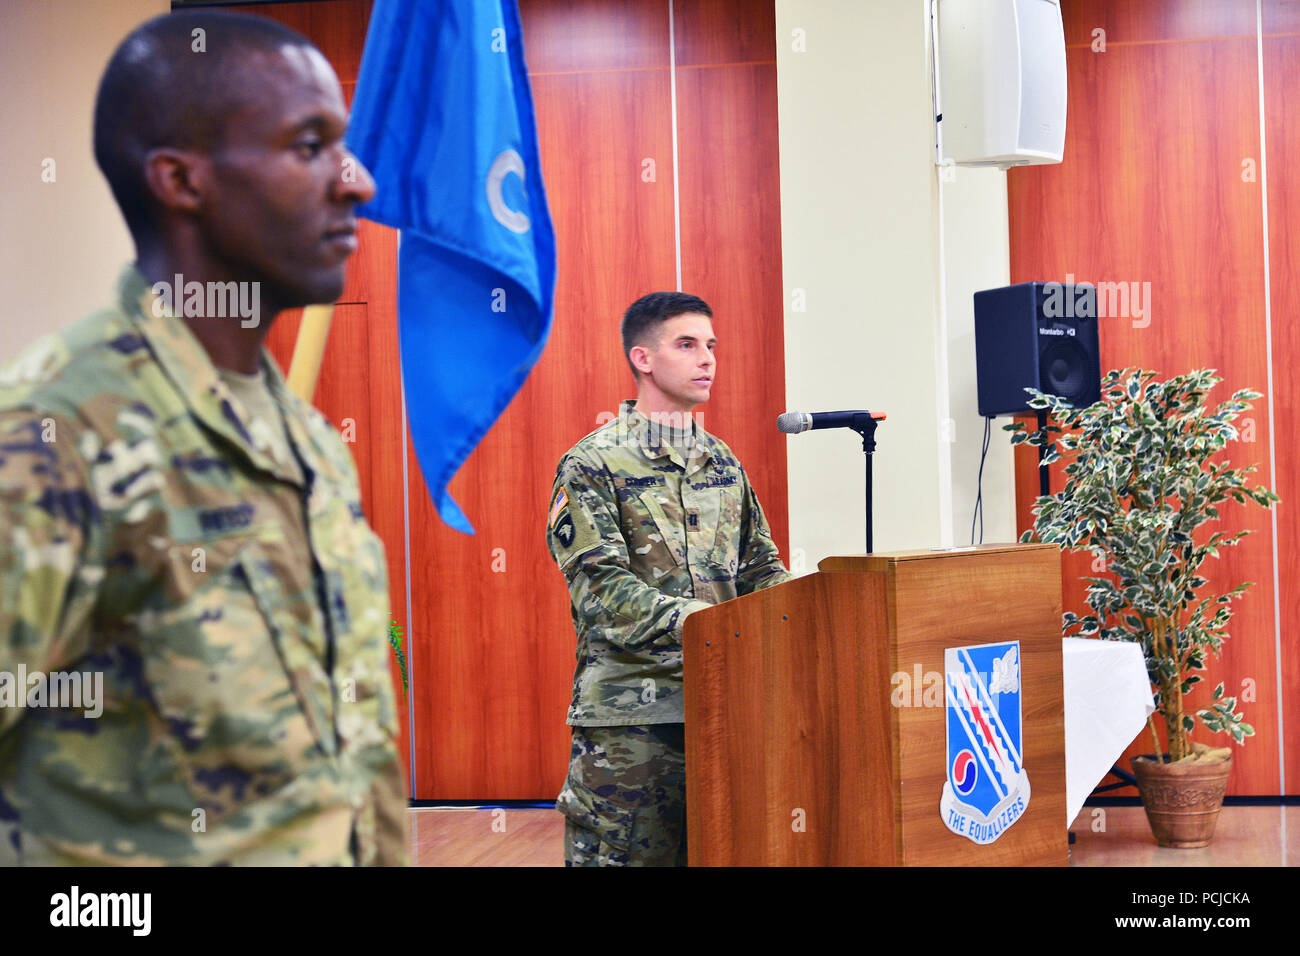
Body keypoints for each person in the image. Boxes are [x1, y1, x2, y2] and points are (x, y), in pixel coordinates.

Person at [0, 11, 407, 865]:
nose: (359, 181)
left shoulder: (301, 437)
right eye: (309, 146)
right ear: (182, 181)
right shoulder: (54, 433)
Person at [545, 291, 791, 866]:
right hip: (634, 725)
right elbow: (603, 593)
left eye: (711, 346)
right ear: (643, 359)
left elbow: (760, 570)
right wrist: (713, 624)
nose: (707, 359)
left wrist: (820, 606)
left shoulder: (722, 461)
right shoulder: (591, 463)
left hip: (727, 705)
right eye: (687, 345)